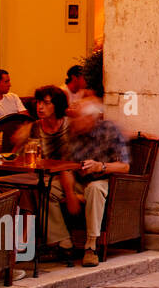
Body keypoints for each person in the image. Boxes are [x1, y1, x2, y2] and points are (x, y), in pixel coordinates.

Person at [46, 97, 130, 267]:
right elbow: (66, 166)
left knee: (93, 189)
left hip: (105, 180)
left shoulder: (109, 130)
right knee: (47, 188)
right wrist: (70, 194)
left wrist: (100, 166)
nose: (74, 121)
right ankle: (63, 243)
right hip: (78, 179)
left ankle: (91, 247)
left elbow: (124, 167)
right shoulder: (73, 133)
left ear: (91, 118)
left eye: (78, 117)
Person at [19, 86, 69, 159]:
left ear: (57, 105)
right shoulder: (35, 127)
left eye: (46, 103)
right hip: (43, 169)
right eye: (38, 102)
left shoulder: (71, 125)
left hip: (70, 168)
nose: (40, 107)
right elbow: (19, 156)